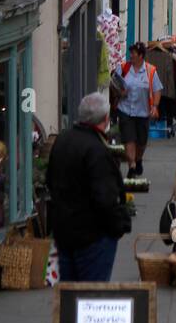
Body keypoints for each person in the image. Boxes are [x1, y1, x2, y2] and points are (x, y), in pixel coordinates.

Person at [46, 91, 131, 282]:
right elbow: (105, 198)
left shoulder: (63, 139)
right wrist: (119, 225)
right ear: (106, 119)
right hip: (92, 236)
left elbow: (50, 181)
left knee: (69, 297)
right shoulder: (96, 150)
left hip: (64, 231)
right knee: (92, 298)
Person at [113, 42, 162, 177]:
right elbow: (114, 85)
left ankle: (138, 159)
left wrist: (154, 106)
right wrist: (119, 92)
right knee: (129, 139)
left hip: (143, 112)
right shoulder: (123, 68)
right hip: (125, 110)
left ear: (141, 56)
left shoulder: (150, 71)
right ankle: (132, 166)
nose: (131, 56)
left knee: (141, 142)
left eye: (133, 54)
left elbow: (157, 90)